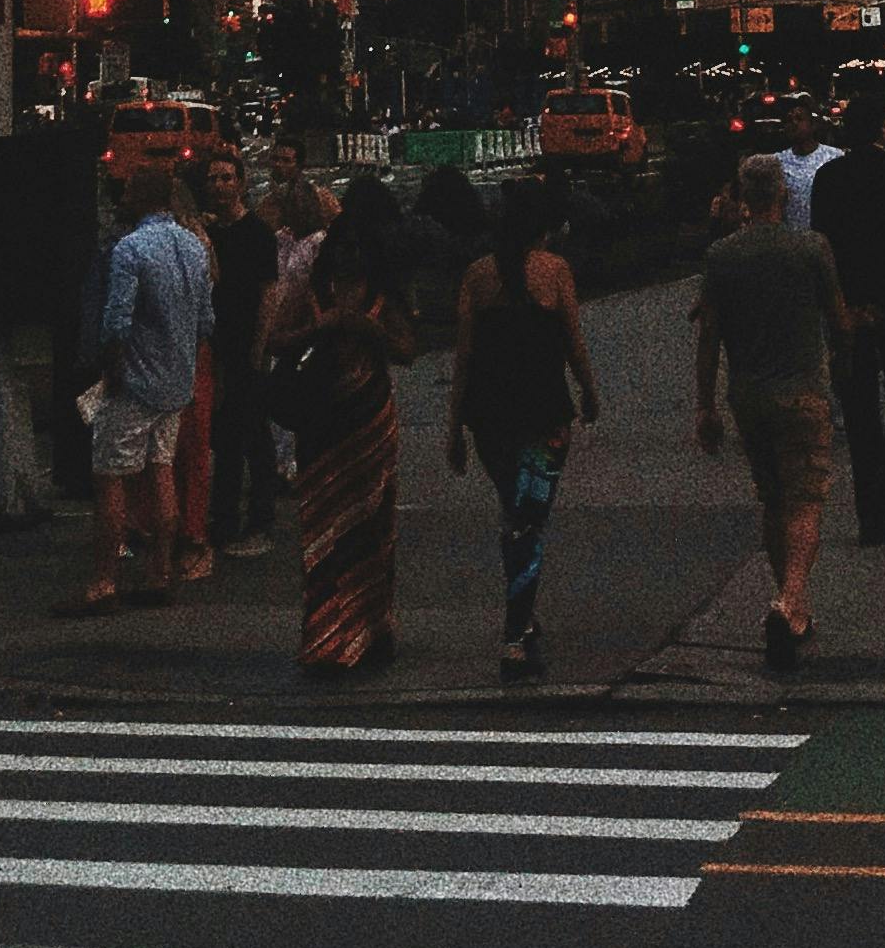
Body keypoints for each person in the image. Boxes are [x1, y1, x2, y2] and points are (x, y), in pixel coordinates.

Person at [696, 151, 850, 667]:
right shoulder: (811, 248)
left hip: (749, 393)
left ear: (741, 198)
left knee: (772, 500)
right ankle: (790, 599)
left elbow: (710, 336)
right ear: (782, 194)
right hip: (803, 387)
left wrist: (705, 407)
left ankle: (794, 605)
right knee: (806, 499)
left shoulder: (722, 256)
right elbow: (838, 319)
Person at [445, 181, 601, 677]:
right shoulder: (554, 272)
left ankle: (523, 614)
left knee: (514, 511)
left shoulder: (477, 275)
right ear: (545, 229)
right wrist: (589, 390)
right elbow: (573, 341)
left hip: (489, 415)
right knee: (529, 518)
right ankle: (514, 632)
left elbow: (464, 355)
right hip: (543, 413)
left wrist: (453, 423)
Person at [270, 180, 415, 671]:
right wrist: (322, 326)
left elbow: (408, 348)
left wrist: (370, 331)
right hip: (323, 424)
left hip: (369, 423)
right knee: (325, 530)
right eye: (343, 249)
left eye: (358, 250)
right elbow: (276, 339)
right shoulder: (313, 294)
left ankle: (372, 628)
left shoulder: (382, 296)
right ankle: (330, 634)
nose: (349, 258)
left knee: (373, 530)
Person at [61, 163, 211, 612]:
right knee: (162, 470)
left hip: (133, 381)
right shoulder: (195, 247)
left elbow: (116, 323)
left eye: (127, 190)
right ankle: (158, 573)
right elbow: (206, 321)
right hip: (176, 381)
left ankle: (104, 582)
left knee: (110, 478)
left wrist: (110, 371)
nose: (120, 197)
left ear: (144, 197)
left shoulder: (130, 249)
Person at [811, 77, 885, 543]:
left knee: (859, 406)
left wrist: (839, 303)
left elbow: (824, 245)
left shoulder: (829, 177)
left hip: (849, 303)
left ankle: (869, 514)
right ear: (881, 130)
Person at [202, 146, 283, 557]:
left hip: (245, 343)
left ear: (241, 184)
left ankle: (260, 518)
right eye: (213, 179)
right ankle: (223, 518)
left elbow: (268, 294)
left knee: (253, 433)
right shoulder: (208, 233)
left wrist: (259, 346)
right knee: (225, 434)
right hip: (215, 343)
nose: (219, 186)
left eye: (226, 179)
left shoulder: (257, 236)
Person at [774, 95, 840, 231]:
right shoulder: (778, 162)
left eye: (799, 119)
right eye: (788, 120)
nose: (793, 123)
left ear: (812, 125)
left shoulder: (834, 157)